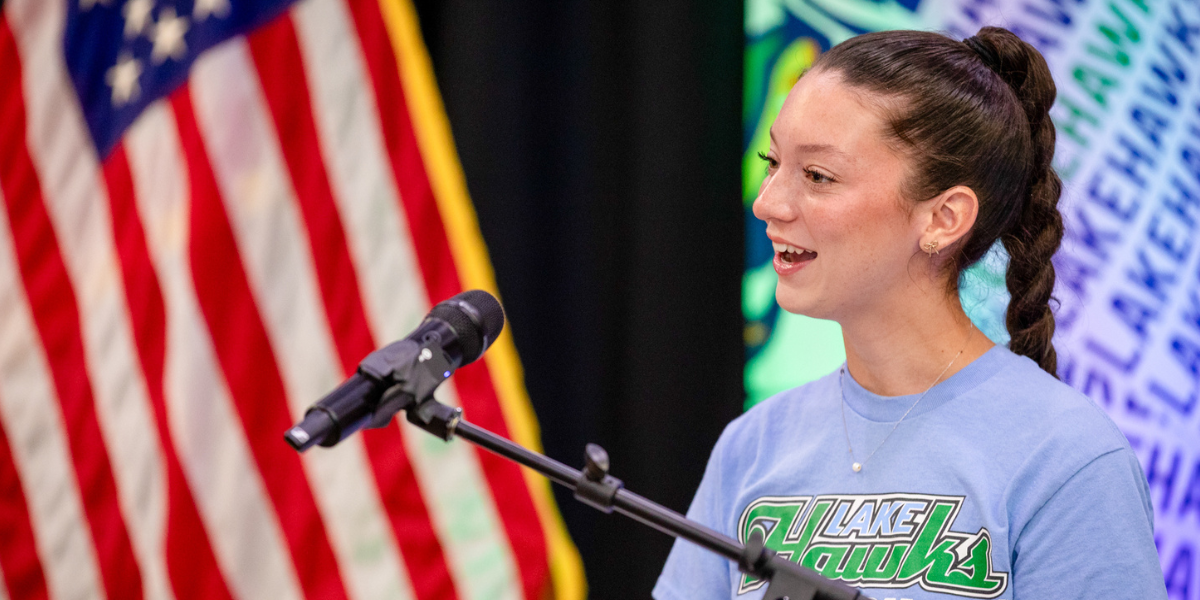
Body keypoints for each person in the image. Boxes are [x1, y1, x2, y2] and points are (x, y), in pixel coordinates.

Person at [653, 27, 1167, 600]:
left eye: (817, 176)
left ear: (944, 218)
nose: (767, 202)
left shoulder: (1068, 455)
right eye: (772, 162)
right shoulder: (751, 446)